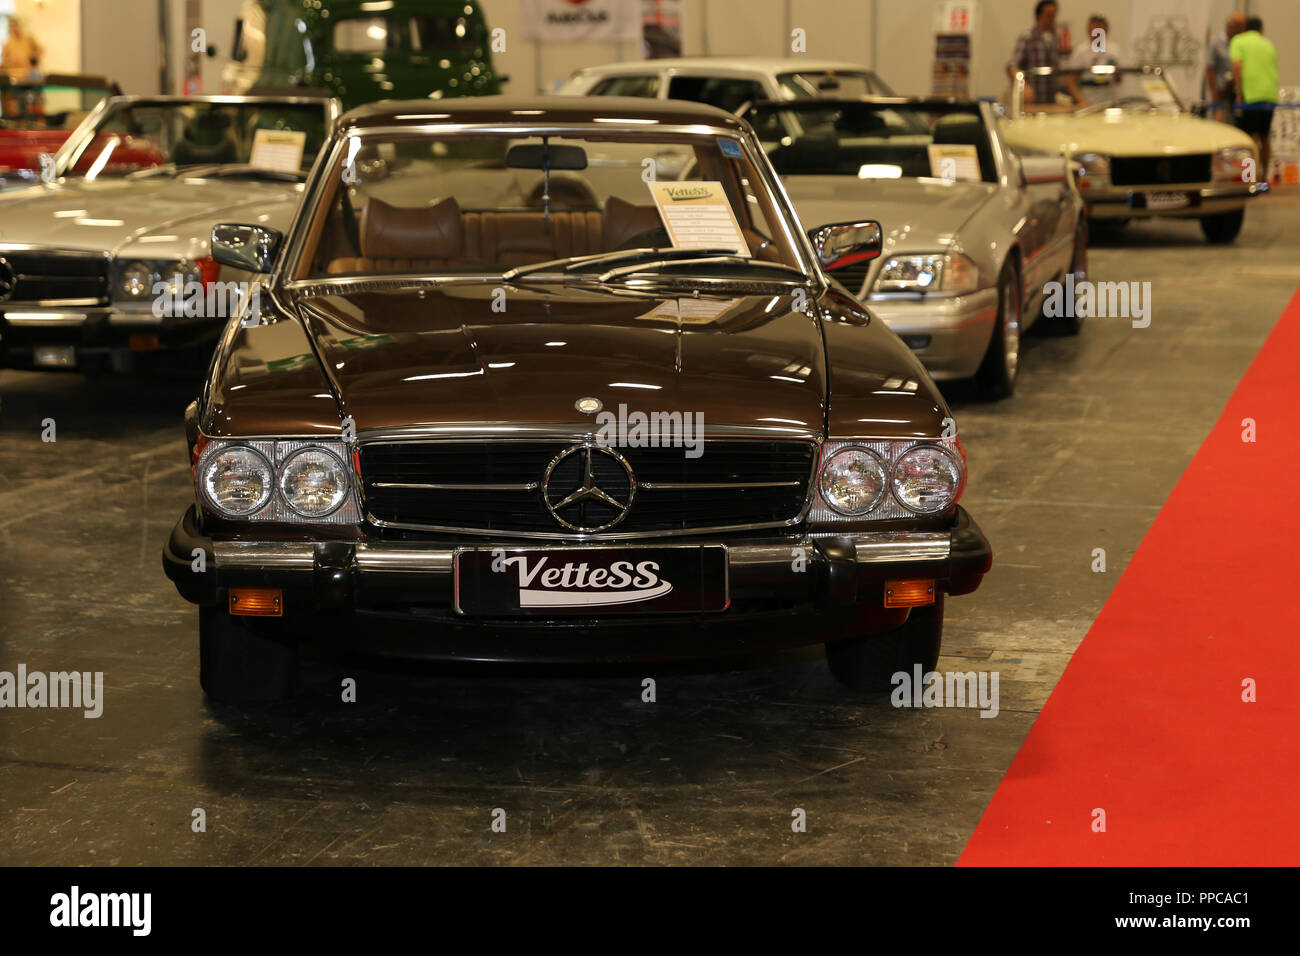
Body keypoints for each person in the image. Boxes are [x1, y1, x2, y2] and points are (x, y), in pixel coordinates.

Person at [1008, 1, 1085, 108]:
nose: (1052, 19)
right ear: (1038, 16)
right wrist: (1023, 86)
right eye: (1049, 15)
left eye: (1054, 15)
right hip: (1032, 102)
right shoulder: (1027, 37)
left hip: (1052, 101)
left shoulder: (1055, 37)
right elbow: (1013, 66)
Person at [1231, 16, 1279, 183]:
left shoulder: (1239, 41)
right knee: (1265, 137)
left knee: (1250, 138)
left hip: (1251, 96)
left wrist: (1238, 92)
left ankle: (1250, 178)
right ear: (1261, 30)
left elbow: (1237, 65)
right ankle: (1264, 178)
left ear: (1245, 29)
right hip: (1270, 95)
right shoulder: (1268, 44)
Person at [1205, 12, 1246, 121]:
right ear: (1230, 26)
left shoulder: (1242, 44)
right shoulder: (1216, 43)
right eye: (1239, 27)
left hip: (1237, 94)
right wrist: (1214, 95)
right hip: (1221, 94)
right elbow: (1209, 69)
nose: (1242, 31)